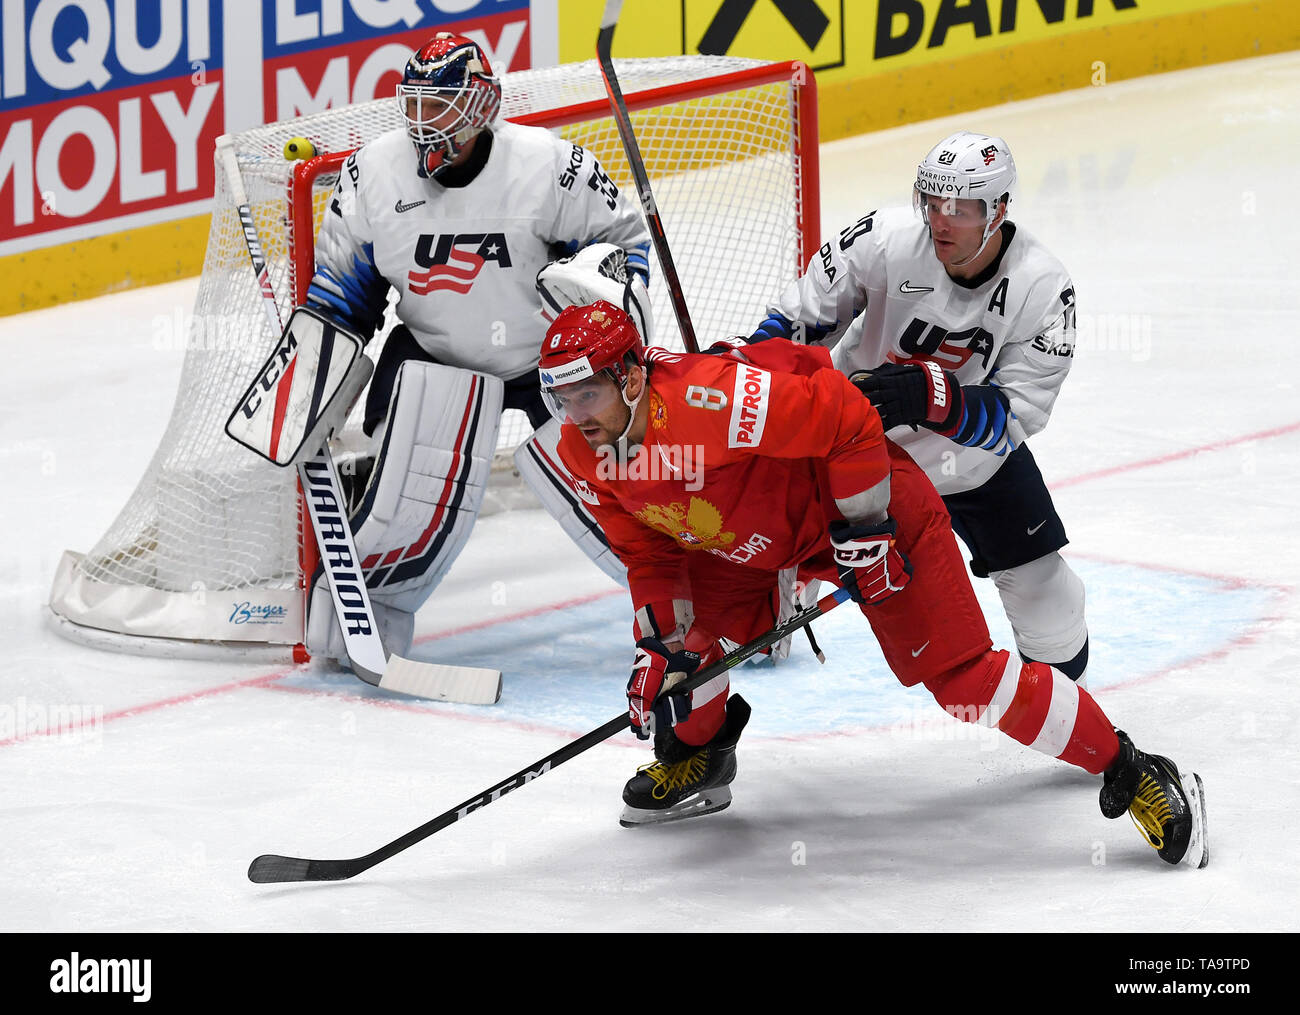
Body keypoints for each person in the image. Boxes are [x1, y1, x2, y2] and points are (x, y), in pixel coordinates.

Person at [541, 299, 1207, 867]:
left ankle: (1132, 766)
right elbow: (649, 555)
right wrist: (655, 643)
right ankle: (702, 754)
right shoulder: (581, 449)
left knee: (966, 683)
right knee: (681, 645)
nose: (575, 414)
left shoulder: (710, 403)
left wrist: (868, 527)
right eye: (561, 398)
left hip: (859, 507)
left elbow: (847, 414)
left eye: (587, 393)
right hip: (751, 538)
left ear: (630, 376)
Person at [297, 32, 651, 662]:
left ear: (484, 106)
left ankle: (700, 605)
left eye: (443, 105)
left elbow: (621, 245)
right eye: (416, 104)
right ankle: (365, 620)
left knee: (620, 493)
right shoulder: (373, 172)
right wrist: (312, 383)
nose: (425, 122)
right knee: (405, 501)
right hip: (434, 353)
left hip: (552, 361)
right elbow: (340, 296)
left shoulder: (549, 166)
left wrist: (609, 333)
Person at [749, 131, 1091, 687]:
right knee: (750, 621)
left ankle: (1057, 719)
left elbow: (1017, 416)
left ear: (998, 209)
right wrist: (742, 369)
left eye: (959, 208)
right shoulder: (883, 239)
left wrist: (933, 398)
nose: (940, 219)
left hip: (972, 460)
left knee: (1054, 624)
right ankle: (792, 568)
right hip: (852, 450)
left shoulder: (1043, 287)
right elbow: (796, 323)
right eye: (931, 202)